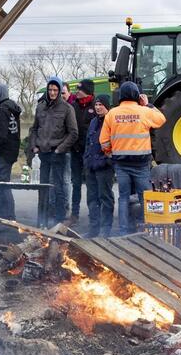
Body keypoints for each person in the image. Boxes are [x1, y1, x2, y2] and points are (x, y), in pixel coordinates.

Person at [100, 81, 166, 235]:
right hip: (141, 164)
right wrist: (148, 104)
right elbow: (161, 119)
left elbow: (104, 142)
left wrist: (110, 153)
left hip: (121, 163)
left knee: (123, 197)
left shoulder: (112, 114)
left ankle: (123, 232)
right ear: (137, 96)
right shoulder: (144, 111)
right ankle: (146, 230)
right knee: (145, 198)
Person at [29, 77, 78, 227]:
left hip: (57, 153)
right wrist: (34, 145)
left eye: (55, 90)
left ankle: (59, 220)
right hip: (42, 153)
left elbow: (73, 133)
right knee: (43, 187)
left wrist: (59, 149)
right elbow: (34, 129)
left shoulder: (67, 108)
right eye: (50, 89)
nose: (52, 93)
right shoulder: (40, 107)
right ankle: (42, 219)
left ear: (59, 90)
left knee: (58, 187)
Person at [0, 83, 22, 220]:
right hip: (11, 152)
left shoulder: (1, 110)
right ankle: (6, 217)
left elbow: (0, 135)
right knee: (2, 185)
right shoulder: (11, 108)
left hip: (3, 153)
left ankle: (5, 218)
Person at [83, 94, 115, 237]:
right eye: (96, 105)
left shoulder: (111, 122)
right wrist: (86, 159)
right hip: (91, 167)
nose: (97, 107)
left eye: (101, 104)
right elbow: (88, 143)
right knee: (92, 199)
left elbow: (114, 144)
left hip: (104, 167)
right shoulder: (93, 122)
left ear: (107, 106)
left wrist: (106, 161)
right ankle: (93, 229)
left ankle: (105, 230)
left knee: (105, 197)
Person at [68, 79, 97, 222]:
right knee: (76, 184)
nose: (77, 92)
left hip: (90, 153)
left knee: (91, 184)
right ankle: (74, 214)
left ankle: (93, 214)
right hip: (75, 151)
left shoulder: (95, 106)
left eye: (80, 89)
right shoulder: (73, 106)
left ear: (87, 91)